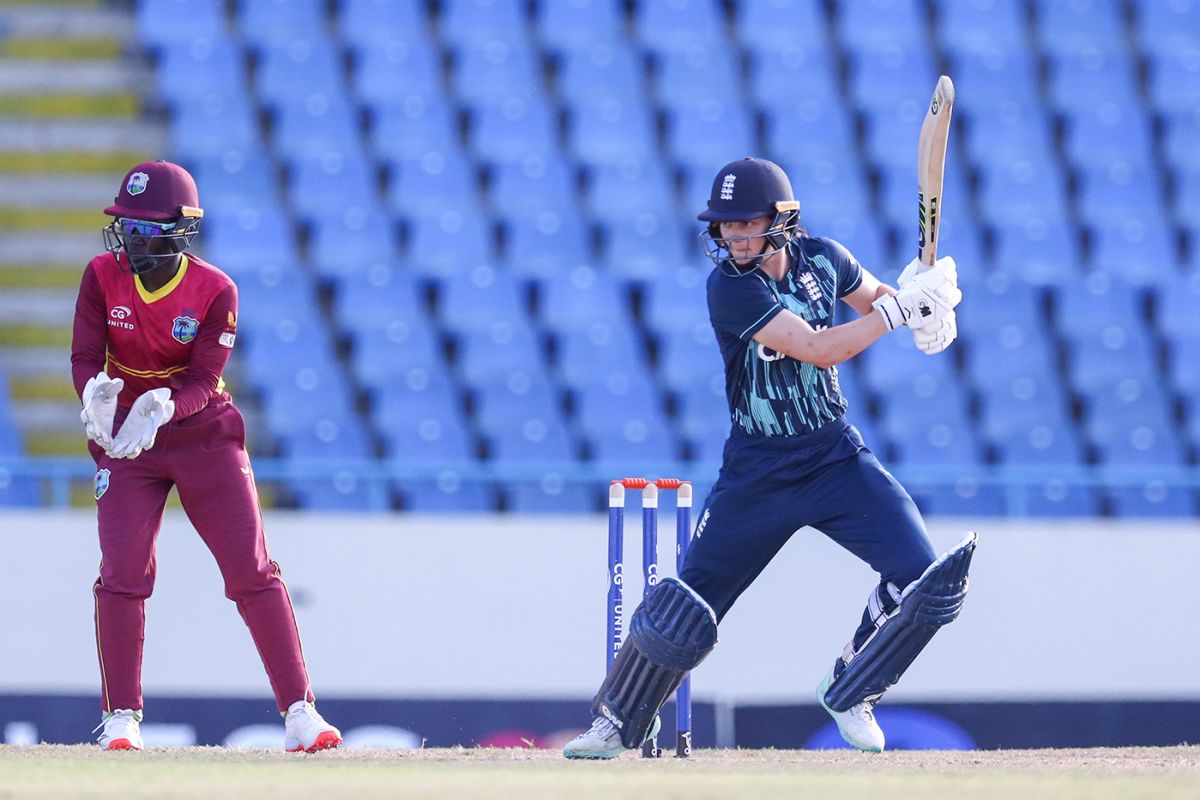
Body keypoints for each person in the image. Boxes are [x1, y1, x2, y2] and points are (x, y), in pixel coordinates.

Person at [563, 157, 976, 758]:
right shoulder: (730, 287)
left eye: (745, 223)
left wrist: (924, 301)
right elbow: (818, 348)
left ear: (782, 220)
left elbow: (880, 303)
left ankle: (851, 687)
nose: (732, 236)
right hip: (757, 471)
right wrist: (899, 312)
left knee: (924, 580)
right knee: (688, 608)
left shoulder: (826, 259)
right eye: (725, 225)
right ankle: (616, 722)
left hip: (834, 458)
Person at [70, 160, 342, 753]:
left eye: (146, 230)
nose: (133, 242)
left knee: (251, 571)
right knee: (122, 574)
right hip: (126, 439)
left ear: (180, 230)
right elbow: (86, 357)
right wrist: (93, 398)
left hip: (203, 436)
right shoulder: (100, 275)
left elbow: (201, 380)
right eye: (127, 228)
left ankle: (301, 713)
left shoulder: (216, 290)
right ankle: (121, 717)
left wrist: (165, 408)